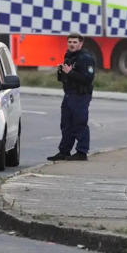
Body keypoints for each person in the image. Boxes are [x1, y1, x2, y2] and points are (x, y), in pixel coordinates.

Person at [46, 33, 95, 161]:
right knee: (66, 124)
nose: (72, 44)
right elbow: (64, 77)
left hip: (80, 95)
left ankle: (82, 152)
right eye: (70, 42)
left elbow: (88, 79)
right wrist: (61, 72)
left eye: (75, 42)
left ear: (80, 43)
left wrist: (70, 72)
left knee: (79, 123)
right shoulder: (68, 56)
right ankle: (64, 151)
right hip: (68, 94)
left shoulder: (86, 58)